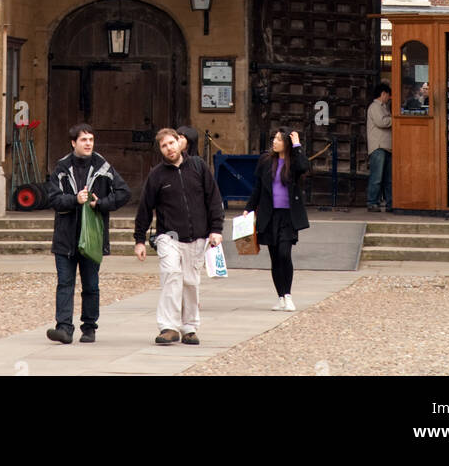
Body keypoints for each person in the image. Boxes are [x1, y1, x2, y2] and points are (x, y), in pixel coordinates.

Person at [134, 127, 225, 346]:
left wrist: (216, 229)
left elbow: (213, 199)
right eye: (164, 146)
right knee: (172, 275)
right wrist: (139, 239)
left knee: (191, 282)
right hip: (169, 236)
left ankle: (190, 328)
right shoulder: (157, 175)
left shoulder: (198, 167)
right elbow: (145, 208)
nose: (169, 149)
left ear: (179, 142)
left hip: (198, 235)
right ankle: (168, 327)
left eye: (171, 143)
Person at [45, 123, 130, 344]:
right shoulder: (62, 168)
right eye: (84, 140)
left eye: (91, 140)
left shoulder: (103, 167)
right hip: (66, 237)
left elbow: (123, 193)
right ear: (74, 143)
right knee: (65, 283)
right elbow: (53, 199)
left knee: (91, 285)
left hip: (92, 236)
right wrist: (75, 200)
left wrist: (100, 203)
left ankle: (89, 328)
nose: (88, 143)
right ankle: (64, 328)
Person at [245, 128, 309, 312]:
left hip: (288, 216)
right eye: (274, 138)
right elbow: (257, 188)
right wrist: (248, 208)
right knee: (274, 258)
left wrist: (297, 144)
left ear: (286, 144)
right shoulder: (266, 161)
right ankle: (280, 296)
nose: (274, 142)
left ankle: (288, 295)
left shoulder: (294, 162)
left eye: (279, 140)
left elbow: (304, 166)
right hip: (269, 215)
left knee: (284, 253)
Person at [367, 83, 393, 212]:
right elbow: (381, 122)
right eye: (388, 95)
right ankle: (372, 202)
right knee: (377, 177)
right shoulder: (375, 107)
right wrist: (396, 119)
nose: (389, 98)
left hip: (386, 146)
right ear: (383, 94)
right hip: (378, 146)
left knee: (388, 178)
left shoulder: (384, 107)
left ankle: (391, 203)